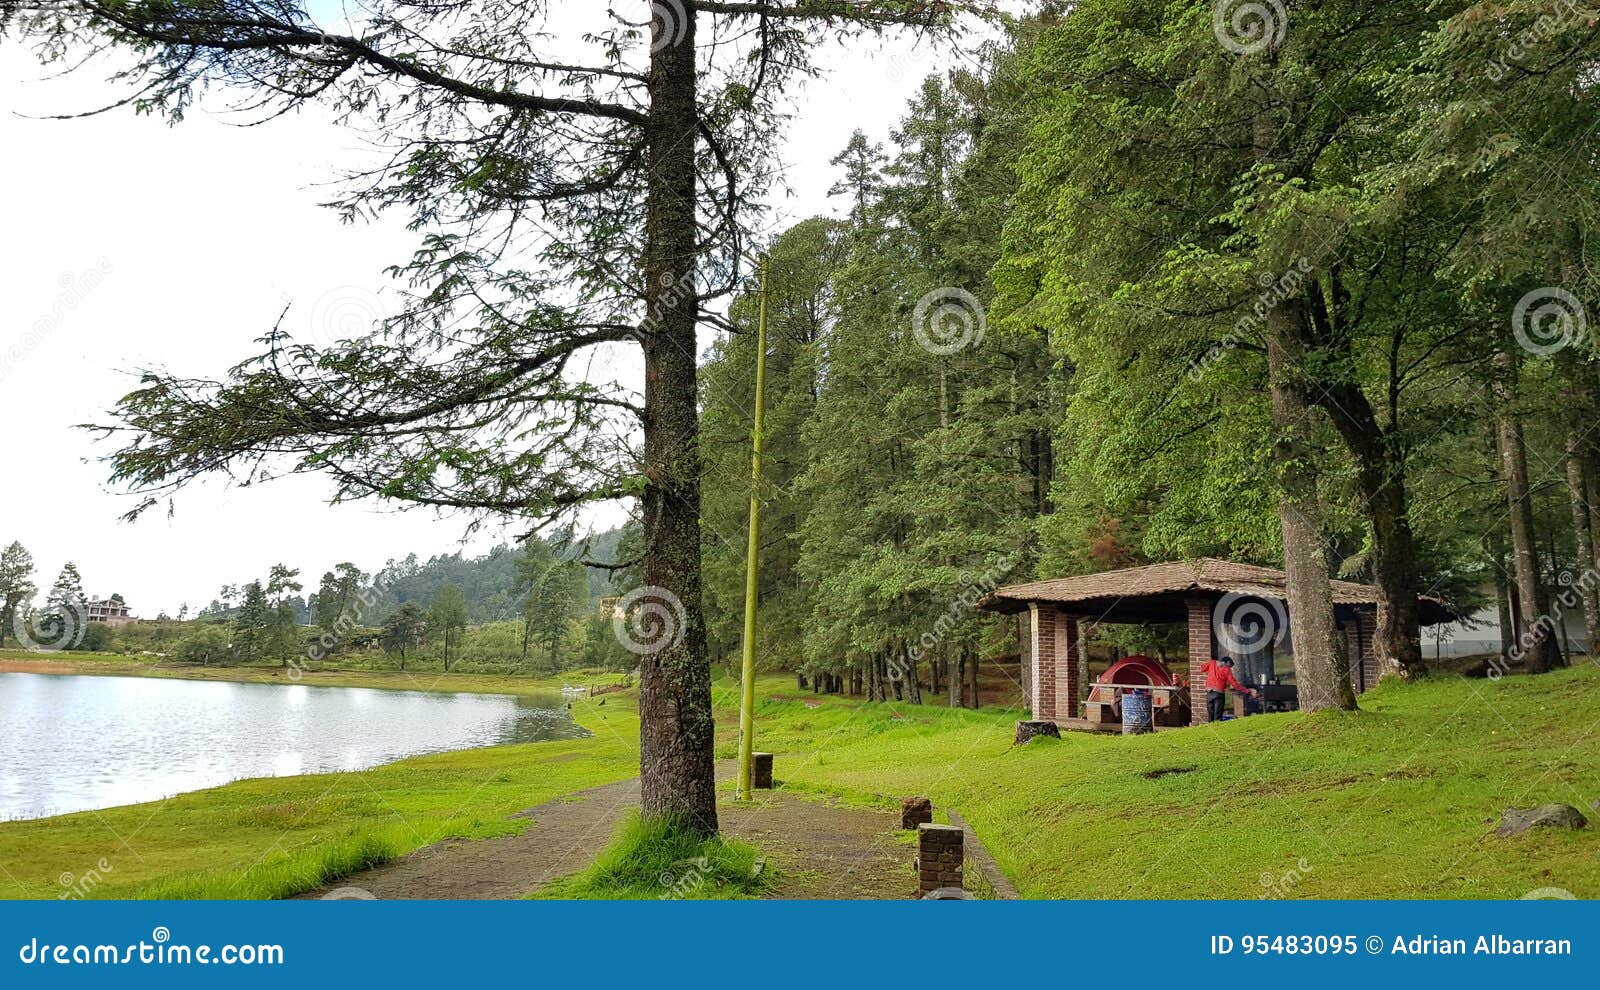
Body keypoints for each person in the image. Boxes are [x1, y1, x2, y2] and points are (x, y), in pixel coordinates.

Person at [1199, 656, 1256, 723]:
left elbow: (1202, 669)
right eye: (1230, 666)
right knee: (1217, 716)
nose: (1230, 668)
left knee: (1210, 715)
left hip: (1209, 693)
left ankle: (1210, 729)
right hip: (1218, 694)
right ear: (1228, 662)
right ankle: (1217, 729)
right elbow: (1234, 684)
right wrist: (1247, 690)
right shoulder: (1226, 669)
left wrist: (1210, 671)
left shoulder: (1212, 663)